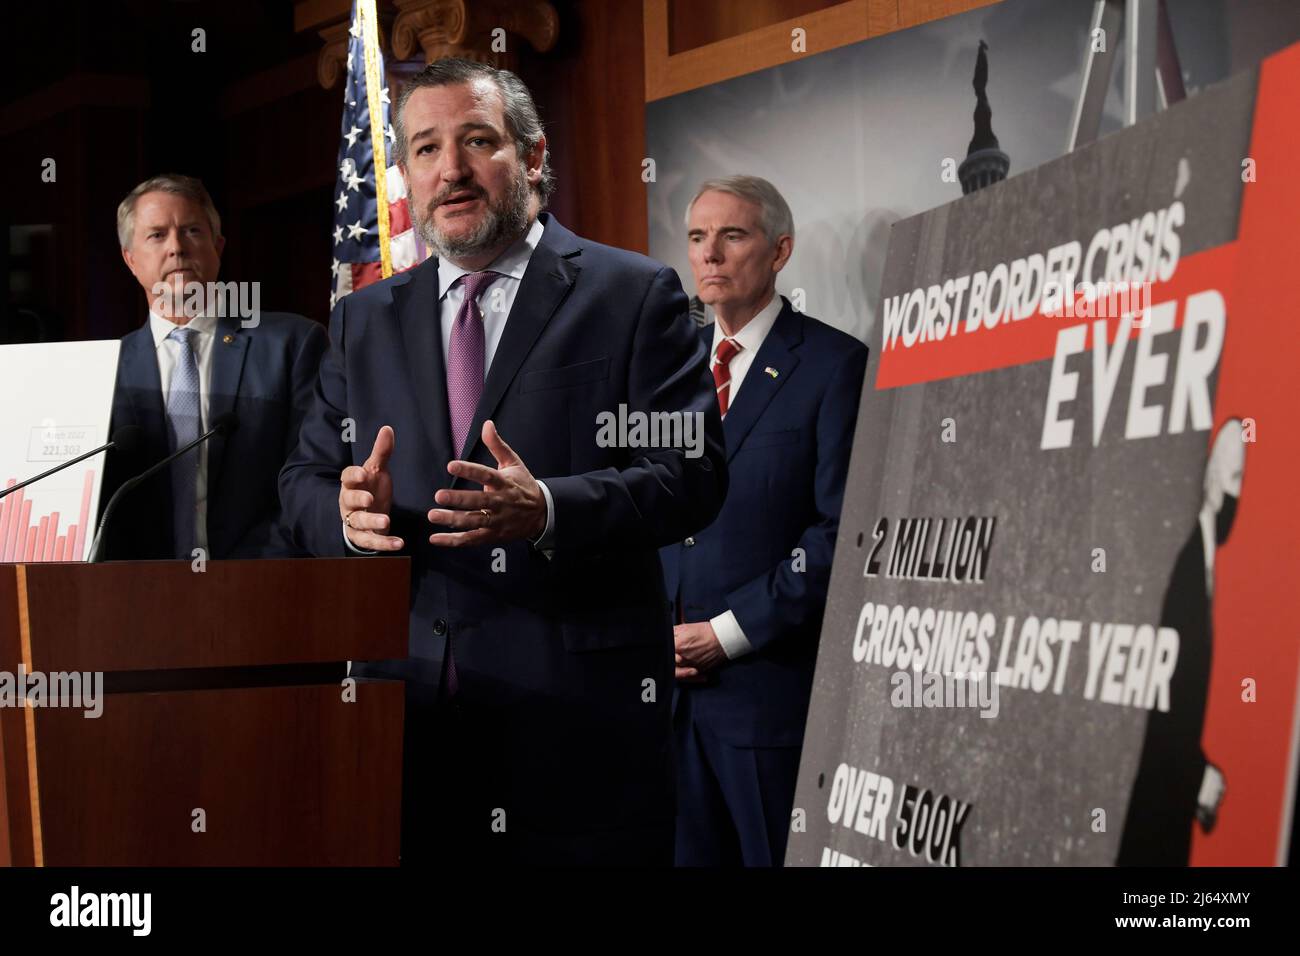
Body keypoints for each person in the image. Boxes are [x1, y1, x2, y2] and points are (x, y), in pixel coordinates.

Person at [278, 58, 726, 866]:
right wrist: (347, 517)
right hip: (410, 717)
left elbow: (689, 476)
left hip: (578, 724)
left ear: (533, 156)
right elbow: (303, 481)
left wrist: (549, 508)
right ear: (407, 174)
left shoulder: (632, 294)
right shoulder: (363, 320)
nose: (450, 169)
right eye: (425, 149)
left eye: (477, 141)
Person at [661, 176, 868, 866]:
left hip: (769, 705)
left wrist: (724, 635)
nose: (710, 254)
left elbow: (844, 534)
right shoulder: (667, 373)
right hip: (669, 703)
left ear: (780, 250)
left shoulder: (836, 366)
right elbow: (643, 512)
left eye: (732, 235)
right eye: (697, 237)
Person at [101, 174, 327, 560]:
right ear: (130, 259)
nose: (177, 248)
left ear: (217, 246)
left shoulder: (292, 344)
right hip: (138, 596)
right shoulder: (103, 369)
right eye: (157, 235)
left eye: (191, 230)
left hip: (264, 585)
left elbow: (311, 476)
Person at [1117, 418, 1243, 865]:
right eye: (1234, 478)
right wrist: (1197, 778)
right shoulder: (1189, 567)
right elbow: (1161, 706)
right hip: (1157, 811)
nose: (1237, 496)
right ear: (1210, 479)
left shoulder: (1201, 566)